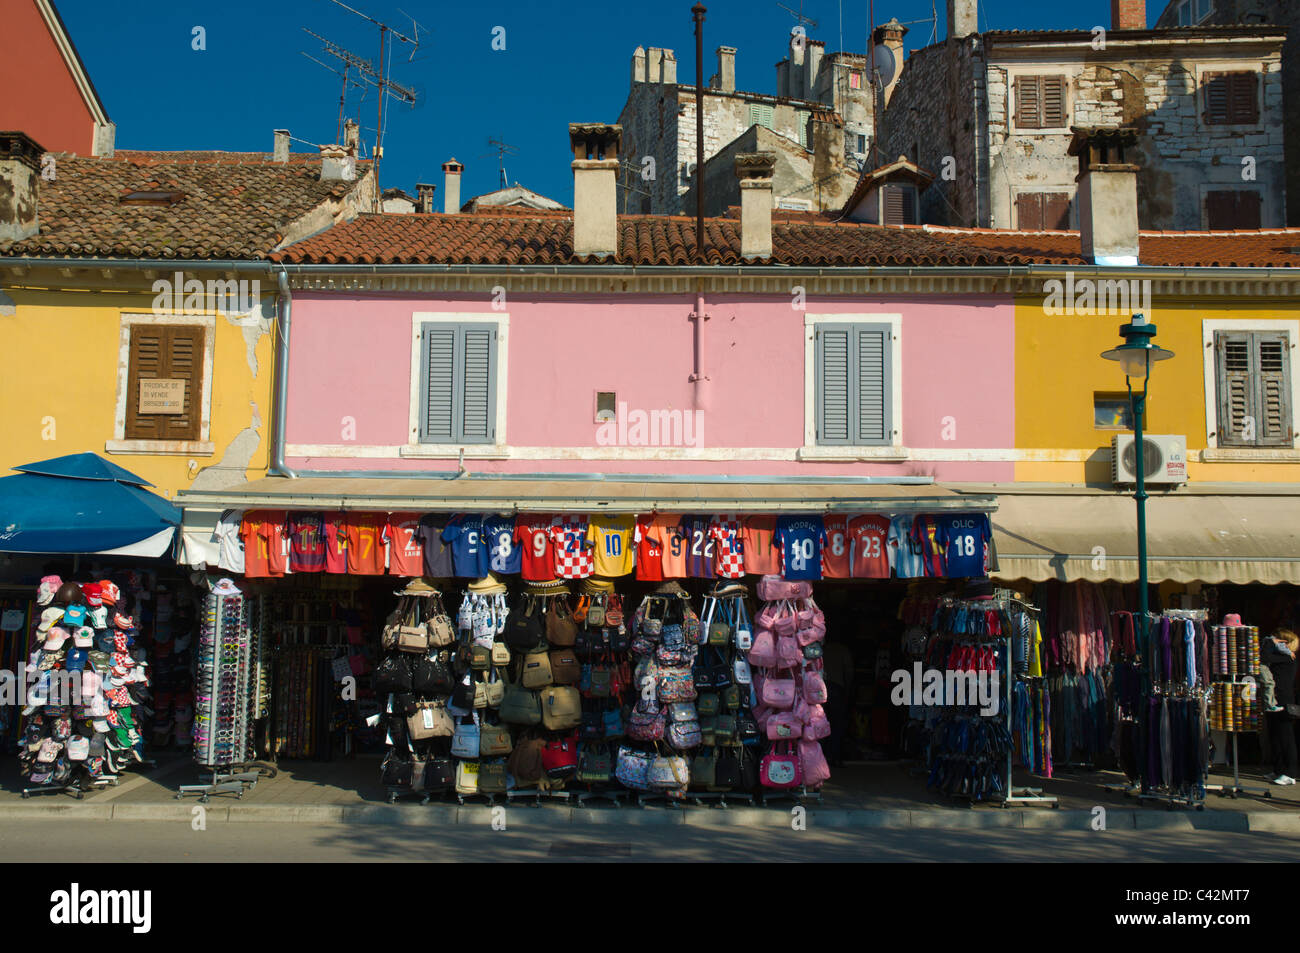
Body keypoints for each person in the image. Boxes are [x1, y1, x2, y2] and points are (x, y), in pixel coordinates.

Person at [1262, 628, 1298, 785]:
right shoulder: (1281, 657)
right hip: (1275, 699)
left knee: (1286, 737)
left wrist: (1270, 642)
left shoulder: (1287, 657)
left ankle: (1290, 773)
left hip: (1284, 700)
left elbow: (1264, 656)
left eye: (1278, 640)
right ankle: (1278, 769)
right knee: (1275, 736)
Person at [821, 639, 854, 766]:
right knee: (837, 724)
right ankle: (834, 756)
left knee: (821, 723)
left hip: (822, 687)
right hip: (837, 688)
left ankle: (821, 756)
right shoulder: (843, 650)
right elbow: (849, 672)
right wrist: (848, 690)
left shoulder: (822, 649)